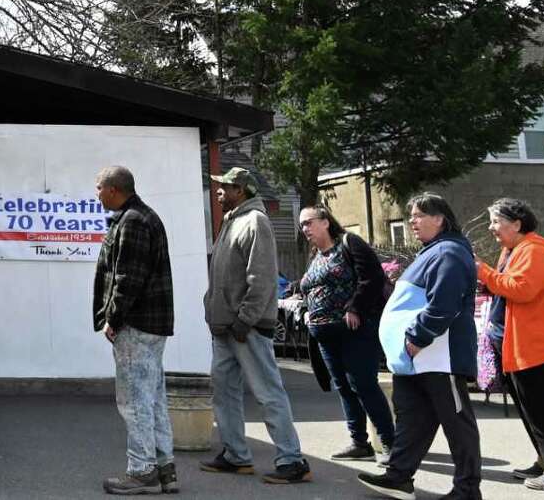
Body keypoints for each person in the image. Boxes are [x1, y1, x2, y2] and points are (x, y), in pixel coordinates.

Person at [361, 193, 480, 500]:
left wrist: (417, 336)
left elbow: (445, 303)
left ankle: (467, 491)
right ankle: (399, 476)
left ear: (439, 218)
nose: (411, 221)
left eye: (417, 215)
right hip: (418, 359)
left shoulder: (448, 252)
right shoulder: (434, 252)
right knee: (413, 419)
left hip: (439, 356)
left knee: (458, 424)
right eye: (411, 215)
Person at [200, 166, 310, 484]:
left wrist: (244, 320)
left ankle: (292, 461)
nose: (219, 191)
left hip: (244, 328)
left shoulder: (255, 221)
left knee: (268, 393)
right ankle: (236, 455)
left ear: (243, 190)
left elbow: (261, 280)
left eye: (226, 187)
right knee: (224, 393)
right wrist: (213, 312)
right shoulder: (233, 220)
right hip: (225, 328)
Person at [474, 197, 544, 491]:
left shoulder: (532, 250)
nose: (492, 227)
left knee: (539, 407)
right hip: (520, 340)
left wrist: (483, 271)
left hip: (534, 342)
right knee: (529, 406)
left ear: (517, 224)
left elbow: (521, 290)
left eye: (496, 221)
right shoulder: (515, 249)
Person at [92, 165, 177, 496]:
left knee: (134, 401)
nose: (96, 194)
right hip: (150, 325)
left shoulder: (133, 221)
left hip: (137, 324)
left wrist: (113, 318)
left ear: (113, 189)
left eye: (99, 188)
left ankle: (142, 471)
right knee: (152, 398)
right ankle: (164, 469)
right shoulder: (139, 217)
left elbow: (127, 277)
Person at [295, 206, 393, 463]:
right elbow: (309, 289)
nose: (305, 229)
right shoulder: (316, 255)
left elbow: (371, 277)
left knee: (363, 385)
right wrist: (307, 311)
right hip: (324, 335)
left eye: (309, 222)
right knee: (344, 387)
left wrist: (356, 307)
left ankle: (389, 444)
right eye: (302, 225)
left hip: (354, 330)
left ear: (326, 222)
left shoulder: (349, 243)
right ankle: (359, 442)